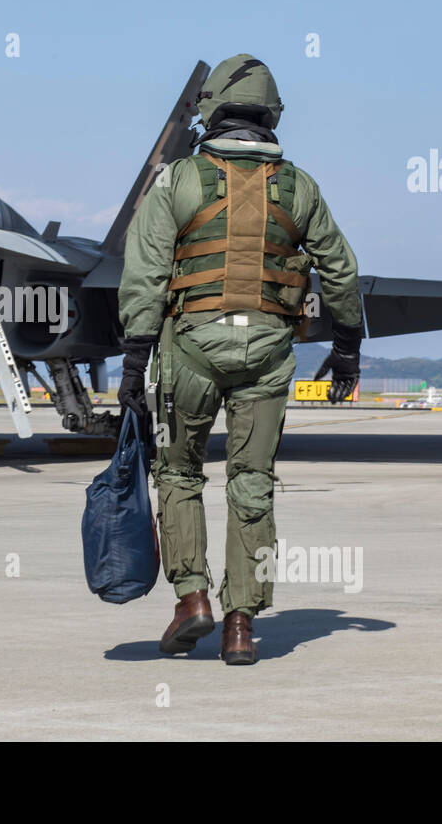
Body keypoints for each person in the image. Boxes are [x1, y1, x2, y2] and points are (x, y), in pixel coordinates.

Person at [117, 54, 362, 664]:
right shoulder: (299, 186)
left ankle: (192, 598)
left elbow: (144, 275)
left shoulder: (177, 180)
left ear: (211, 109)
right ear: (270, 112)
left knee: (178, 474)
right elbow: (341, 270)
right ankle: (241, 625)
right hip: (270, 353)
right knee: (253, 481)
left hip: (192, 353)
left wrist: (131, 363)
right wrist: (348, 347)